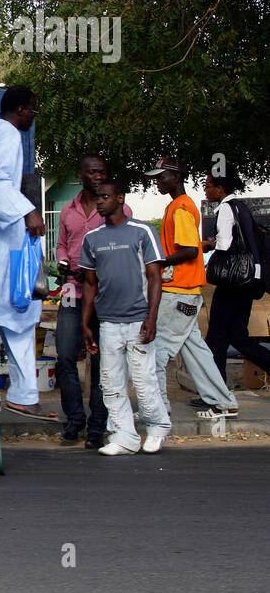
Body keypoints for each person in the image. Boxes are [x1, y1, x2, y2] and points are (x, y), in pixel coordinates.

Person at [0, 85, 54, 420]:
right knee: (19, 316)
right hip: (1, 241)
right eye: (32, 109)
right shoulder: (9, 134)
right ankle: (23, 394)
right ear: (21, 109)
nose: (32, 116)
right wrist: (28, 211)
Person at [145, 158, 240, 419]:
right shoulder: (179, 206)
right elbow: (191, 247)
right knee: (197, 353)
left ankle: (157, 410)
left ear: (176, 177)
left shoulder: (181, 209)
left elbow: (187, 250)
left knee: (155, 353)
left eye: (161, 177)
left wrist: (160, 262)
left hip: (178, 292)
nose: (157, 182)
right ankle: (223, 402)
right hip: (185, 292)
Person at [80, 179, 169, 455]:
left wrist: (151, 318)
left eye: (105, 197)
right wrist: (86, 322)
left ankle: (157, 427)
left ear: (120, 198)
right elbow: (90, 284)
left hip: (138, 320)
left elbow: (155, 277)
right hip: (108, 323)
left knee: (143, 380)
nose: (100, 202)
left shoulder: (142, 231)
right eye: (98, 198)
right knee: (110, 382)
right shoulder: (92, 238)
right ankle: (124, 436)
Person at [54, 155, 129, 447]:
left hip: (105, 296)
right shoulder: (67, 212)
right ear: (81, 175)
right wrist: (61, 260)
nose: (98, 177)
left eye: (102, 173)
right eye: (92, 172)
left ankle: (97, 426)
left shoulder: (116, 208)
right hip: (73, 291)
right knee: (66, 357)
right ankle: (75, 419)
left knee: (101, 363)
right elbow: (61, 244)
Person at [201, 170, 270, 405]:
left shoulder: (225, 209)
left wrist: (206, 244)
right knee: (239, 338)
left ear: (220, 189)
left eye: (209, 186)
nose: (206, 190)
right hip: (247, 281)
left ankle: (216, 394)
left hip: (231, 282)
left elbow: (225, 244)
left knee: (216, 338)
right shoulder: (242, 208)